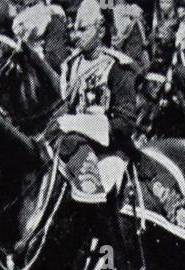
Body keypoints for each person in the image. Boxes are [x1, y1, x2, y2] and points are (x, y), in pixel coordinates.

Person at [54, 0, 138, 205]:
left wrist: (83, 125)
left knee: (99, 194)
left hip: (109, 151)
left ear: (101, 30)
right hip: (73, 146)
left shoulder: (118, 68)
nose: (75, 36)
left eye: (83, 29)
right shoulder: (71, 65)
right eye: (74, 30)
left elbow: (125, 123)